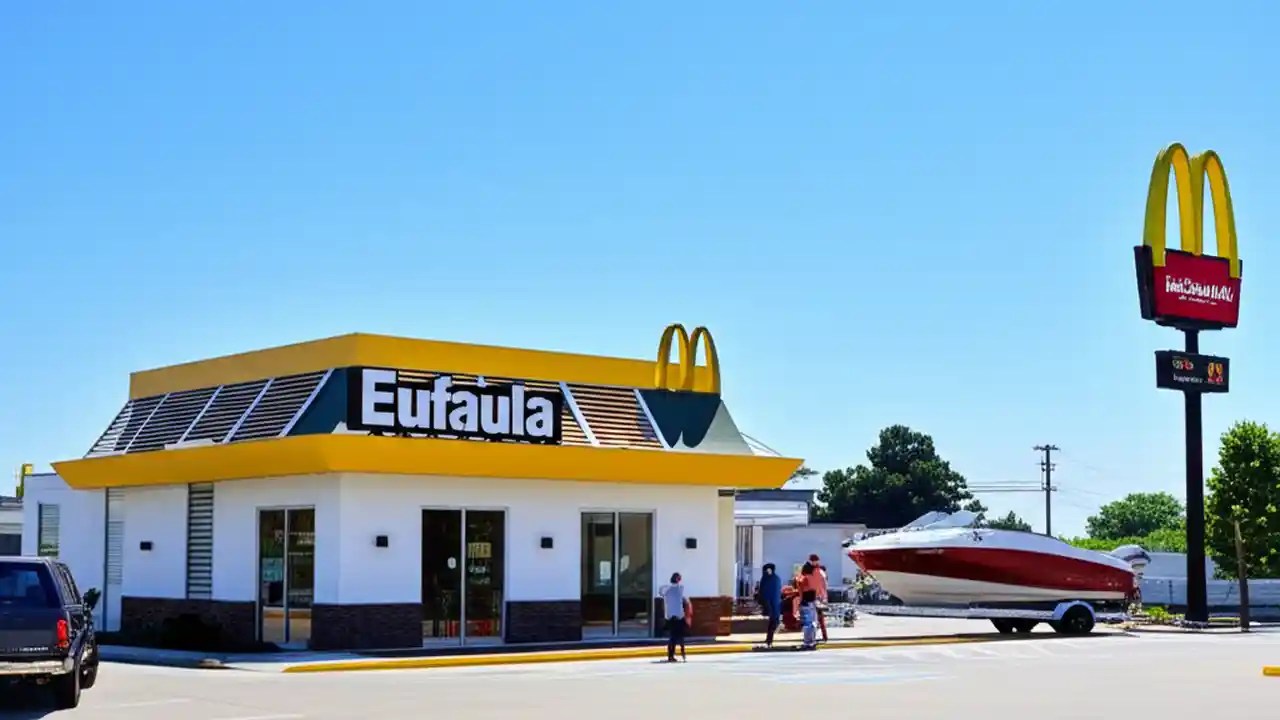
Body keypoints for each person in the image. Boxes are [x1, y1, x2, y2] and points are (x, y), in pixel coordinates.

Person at [659, 572, 691, 662]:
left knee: (672, 637)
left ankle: (671, 655)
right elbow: (686, 601)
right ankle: (683, 654)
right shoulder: (681, 589)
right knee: (680, 636)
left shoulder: (666, 589)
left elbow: (660, 591)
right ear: (678, 579)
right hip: (679, 616)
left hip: (670, 617)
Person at [758, 563, 783, 648]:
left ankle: (769, 640)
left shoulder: (768, 579)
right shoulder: (775, 578)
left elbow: (763, 591)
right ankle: (769, 640)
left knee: (773, 621)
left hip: (772, 603)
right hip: (773, 603)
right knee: (773, 621)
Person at [808, 553, 829, 643]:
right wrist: (824, 598)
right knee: (819, 618)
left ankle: (813, 637)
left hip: (815, 597)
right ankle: (824, 636)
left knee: (814, 618)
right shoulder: (820, 572)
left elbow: (822, 586)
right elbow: (824, 586)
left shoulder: (815, 572)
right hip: (818, 597)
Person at [797, 562, 818, 650]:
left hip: (805, 602)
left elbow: (801, 592)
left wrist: (800, 602)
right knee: (813, 622)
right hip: (813, 602)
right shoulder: (814, 579)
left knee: (807, 623)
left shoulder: (802, 579)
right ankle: (812, 641)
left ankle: (807, 642)